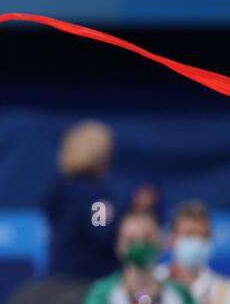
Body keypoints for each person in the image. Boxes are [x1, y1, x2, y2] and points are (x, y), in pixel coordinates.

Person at [79, 209, 202, 304]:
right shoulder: (101, 297)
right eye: (131, 240)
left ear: (161, 242)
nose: (140, 246)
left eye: (147, 238)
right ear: (119, 246)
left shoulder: (182, 295)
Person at [43, 120, 159, 279]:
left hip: (57, 277)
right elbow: (102, 231)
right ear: (101, 155)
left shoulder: (60, 189)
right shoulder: (95, 196)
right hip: (86, 281)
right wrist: (133, 210)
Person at [155, 200, 230, 304]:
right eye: (190, 235)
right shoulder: (153, 282)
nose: (198, 242)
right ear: (172, 238)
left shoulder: (229, 291)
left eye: (204, 236)